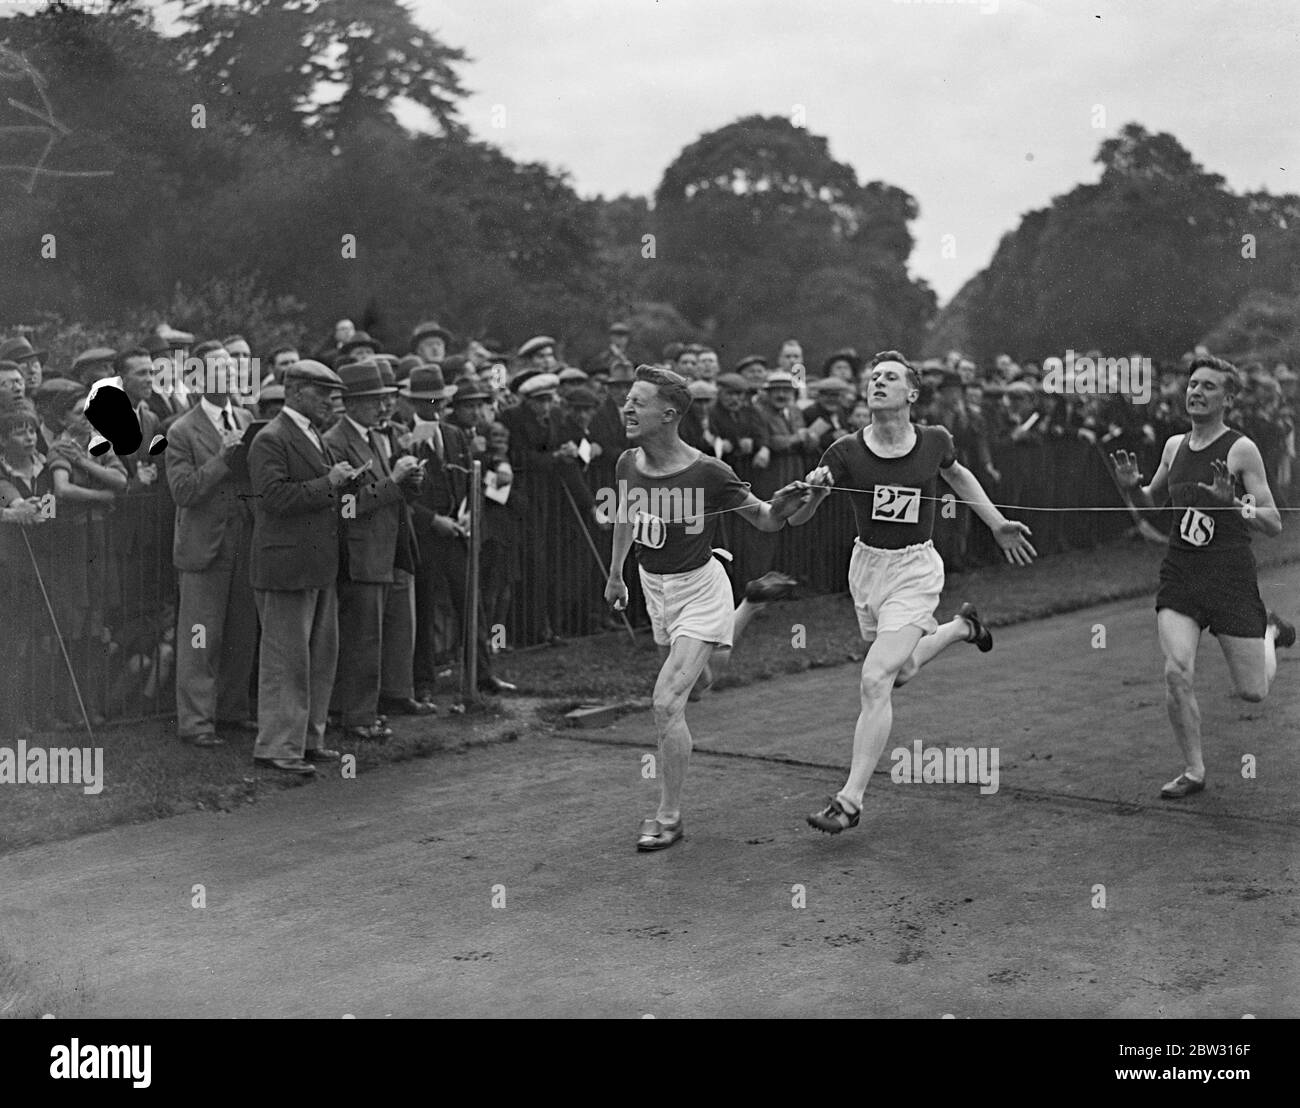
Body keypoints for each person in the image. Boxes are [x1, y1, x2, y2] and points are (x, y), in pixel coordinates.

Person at [787, 351, 1036, 834]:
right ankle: (964, 627)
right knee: (901, 672)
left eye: (890, 378)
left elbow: (958, 474)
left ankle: (849, 800)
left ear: (912, 394)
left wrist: (997, 522)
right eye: (874, 377)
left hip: (915, 571)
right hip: (867, 570)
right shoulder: (843, 452)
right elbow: (798, 520)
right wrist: (811, 495)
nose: (878, 382)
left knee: (876, 678)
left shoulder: (935, 441)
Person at [604, 366, 806, 852]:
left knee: (666, 702)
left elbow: (763, 520)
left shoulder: (708, 471)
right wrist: (615, 574)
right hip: (656, 590)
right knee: (702, 687)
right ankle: (750, 607)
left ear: (669, 414)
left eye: (639, 402)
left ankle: (668, 816)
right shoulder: (627, 463)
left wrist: (782, 505)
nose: (627, 408)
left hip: (700, 588)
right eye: (626, 400)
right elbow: (625, 515)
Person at [1110, 355, 1293, 799]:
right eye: (1193, 384)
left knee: (1253, 692)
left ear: (1228, 398)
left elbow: (1273, 522)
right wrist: (1131, 486)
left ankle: (1269, 630)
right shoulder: (1173, 447)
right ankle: (1194, 770)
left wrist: (1233, 503)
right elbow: (1155, 502)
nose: (1196, 392)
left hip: (1229, 577)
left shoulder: (1240, 449)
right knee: (1176, 671)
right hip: (1182, 573)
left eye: (1209, 386)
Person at [248, 360, 355, 776]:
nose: (331, 401)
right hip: (286, 565)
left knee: (318, 657)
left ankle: (308, 739)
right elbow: (273, 498)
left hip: (315, 563)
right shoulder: (271, 439)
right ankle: (277, 745)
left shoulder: (310, 435)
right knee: (286, 660)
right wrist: (331, 482)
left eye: (332, 393)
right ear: (295, 392)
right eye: (322, 392)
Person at [323, 362, 424, 740]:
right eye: (371, 401)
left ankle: (360, 710)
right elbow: (346, 506)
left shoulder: (374, 437)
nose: (382, 408)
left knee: (373, 637)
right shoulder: (336, 442)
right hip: (360, 553)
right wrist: (393, 481)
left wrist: (408, 481)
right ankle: (358, 717)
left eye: (384, 399)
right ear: (349, 403)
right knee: (361, 639)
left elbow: (386, 491)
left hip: (384, 549)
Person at [165, 346, 258, 748]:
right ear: (198, 379)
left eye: (231, 365)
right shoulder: (181, 430)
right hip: (205, 546)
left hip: (243, 539)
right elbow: (183, 491)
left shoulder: (246, 418)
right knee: (201, 635)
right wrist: (223, 458)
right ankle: (197, 722)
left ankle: (233, 710)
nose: (229, 371)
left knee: (241, 629)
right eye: (218, 367)